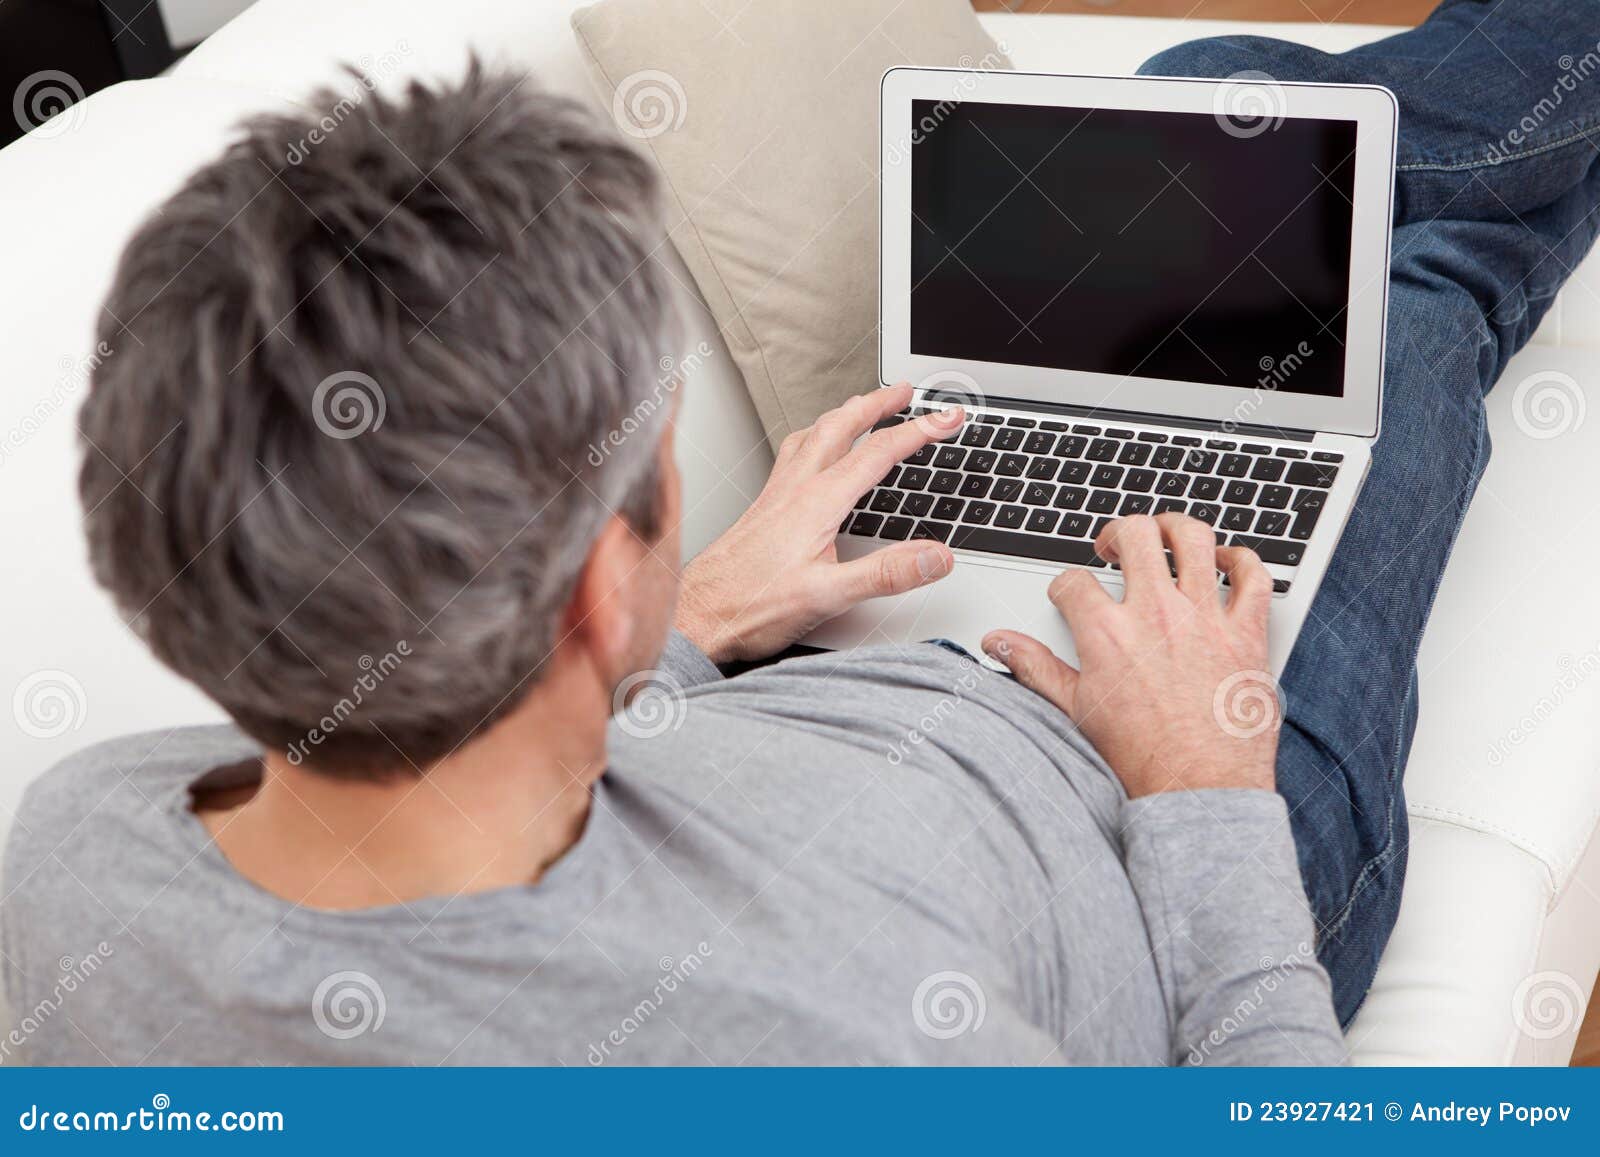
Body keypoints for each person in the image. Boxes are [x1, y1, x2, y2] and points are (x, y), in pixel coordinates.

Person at [4, 0, 1596, 1065]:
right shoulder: (862, 1045)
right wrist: (1204, 785)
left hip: (844, 669)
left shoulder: (82, 843)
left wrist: (687, 615)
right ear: (583, 592)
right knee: (1415, 282)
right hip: (1198, 811)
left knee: (1201, 143)